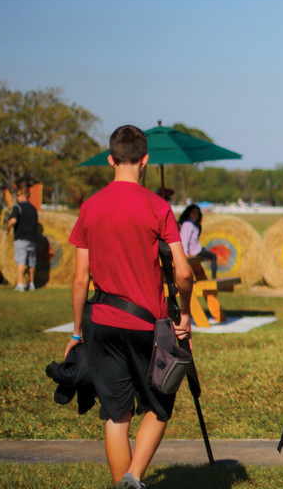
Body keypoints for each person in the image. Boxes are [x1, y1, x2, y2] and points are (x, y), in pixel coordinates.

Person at [65, 125, 195, 489]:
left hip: (101, 322)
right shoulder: (157, 206)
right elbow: (183, 273)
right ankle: (134, 476)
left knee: (115, 414)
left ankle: (125, 484)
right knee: (159, 403)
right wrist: (184, 312)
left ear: (110, 159)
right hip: (147, 325)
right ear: (146, 160)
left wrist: (76, 333)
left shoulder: (89, 207)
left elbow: (79, 279)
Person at [5, 186, 39, 291]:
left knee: (21, 261)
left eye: (18, 195)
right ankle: (31, 283)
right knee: (31, 262)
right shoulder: (33, 209)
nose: (17, 197)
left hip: (21, 238)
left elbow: (13, 220)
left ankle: (20, 284)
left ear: (23, 195)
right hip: (32, 238)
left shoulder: (18, 207)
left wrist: (7, 229)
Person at [177, 204, 218, 279]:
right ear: (189, 213)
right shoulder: (188, 224)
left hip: (195, 249)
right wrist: (185, 253)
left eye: (197, 213)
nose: (195, 215)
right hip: (194, 250)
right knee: (213, 256)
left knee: (208, 254)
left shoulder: (193, 224)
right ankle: (214, 278)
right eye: (193, 213)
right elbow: (184, 239)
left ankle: (210, 278)